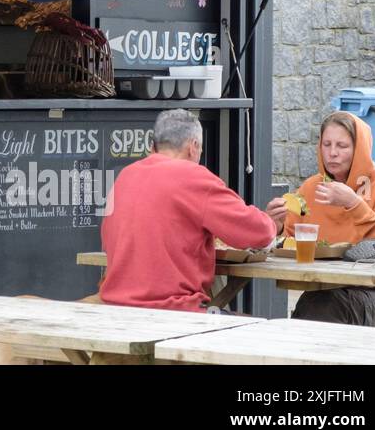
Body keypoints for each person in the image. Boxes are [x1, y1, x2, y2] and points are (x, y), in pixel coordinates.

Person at [100, 109, 276, 312]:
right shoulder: (194, 177)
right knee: (256, 331)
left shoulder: (125, 176)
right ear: (193, 147)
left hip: (115, 308)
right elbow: (257, 232)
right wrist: (273, 223)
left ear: (153, 147)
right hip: (174, 312)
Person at [269, 110, 375, 328]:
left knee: (323, 307)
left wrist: (354, 204)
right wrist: (275, 227)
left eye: (342, 146)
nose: (332, 153)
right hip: (323, 291)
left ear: (359, 149)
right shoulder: (311, 188)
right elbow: (288, 241)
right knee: (314, 305)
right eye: (327, 144)